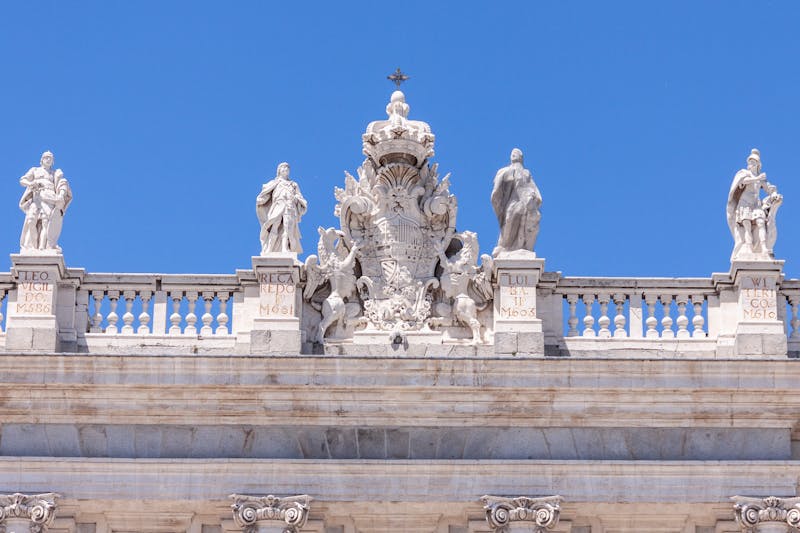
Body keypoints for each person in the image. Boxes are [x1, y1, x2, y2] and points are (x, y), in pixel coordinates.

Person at [726, 148, 782, 260]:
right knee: (747, 227)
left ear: (757, 164)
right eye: (750, 162)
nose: (751, 164)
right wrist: (757, 178)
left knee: (761, 223)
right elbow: (744, 181)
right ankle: (749, 248)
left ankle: (764, 247)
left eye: (753, 162)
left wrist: (774, 193)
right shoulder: (745, 173)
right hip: (744, 203)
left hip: (756, 204)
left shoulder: (761, 179)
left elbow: (769, 188)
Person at [490, 148, 542, 256]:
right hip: (512, 203)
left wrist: (534, 199)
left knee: (520, 224)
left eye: (517, 154)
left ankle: (515, 247)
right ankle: (505, 247)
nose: (514, 155)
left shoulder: (526, 173)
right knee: (509, 222)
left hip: (524, 203)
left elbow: (535, 190)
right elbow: (497, 192)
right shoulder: (505, 171)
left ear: (521, 158)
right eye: (513, 154)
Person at [19, 150, 73, 252]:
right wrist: (31, 183)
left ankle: (42, 247)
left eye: (50, 158)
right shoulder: (35, 170)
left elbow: (62, 183)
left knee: (46, 222)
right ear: (42, 160)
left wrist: (60, 195)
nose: (48, 160)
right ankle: (32, 246)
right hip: (36, 197)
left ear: (53, 162)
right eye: (46, 157)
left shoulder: (54, 173)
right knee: (31, 220)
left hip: (49, 198)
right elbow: (22, 180)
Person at [256, 162, 307, 254]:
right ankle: (269, 249)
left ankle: (284, 248)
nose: (286, 169)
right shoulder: (275, 182)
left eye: (287, 168)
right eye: (283, 168)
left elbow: (300, 197)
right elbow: (266, 194)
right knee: (274, 224)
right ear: (279, 171)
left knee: (287, 229)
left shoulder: (293, 184)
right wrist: (261, 200)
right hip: (278, 204)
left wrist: (297, 199)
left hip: (289, 206)